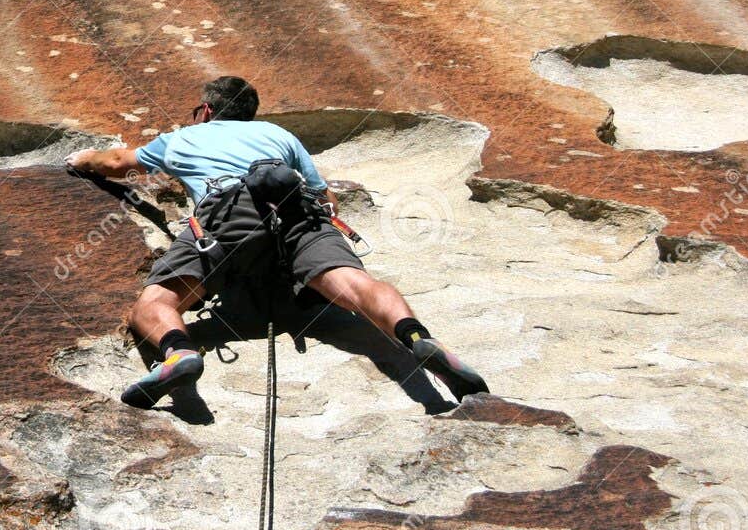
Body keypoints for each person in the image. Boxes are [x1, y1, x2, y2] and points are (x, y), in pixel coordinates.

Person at [64, 76, 489, 409]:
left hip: (227, 218)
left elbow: (118, 162)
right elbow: (325, 197)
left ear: (208, 109)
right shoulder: (278, 136)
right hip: (295, 211)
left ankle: (178, 355)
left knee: (155, 303)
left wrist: (81, 159)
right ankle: (415, 337)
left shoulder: (185, 137)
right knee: (356, 285)